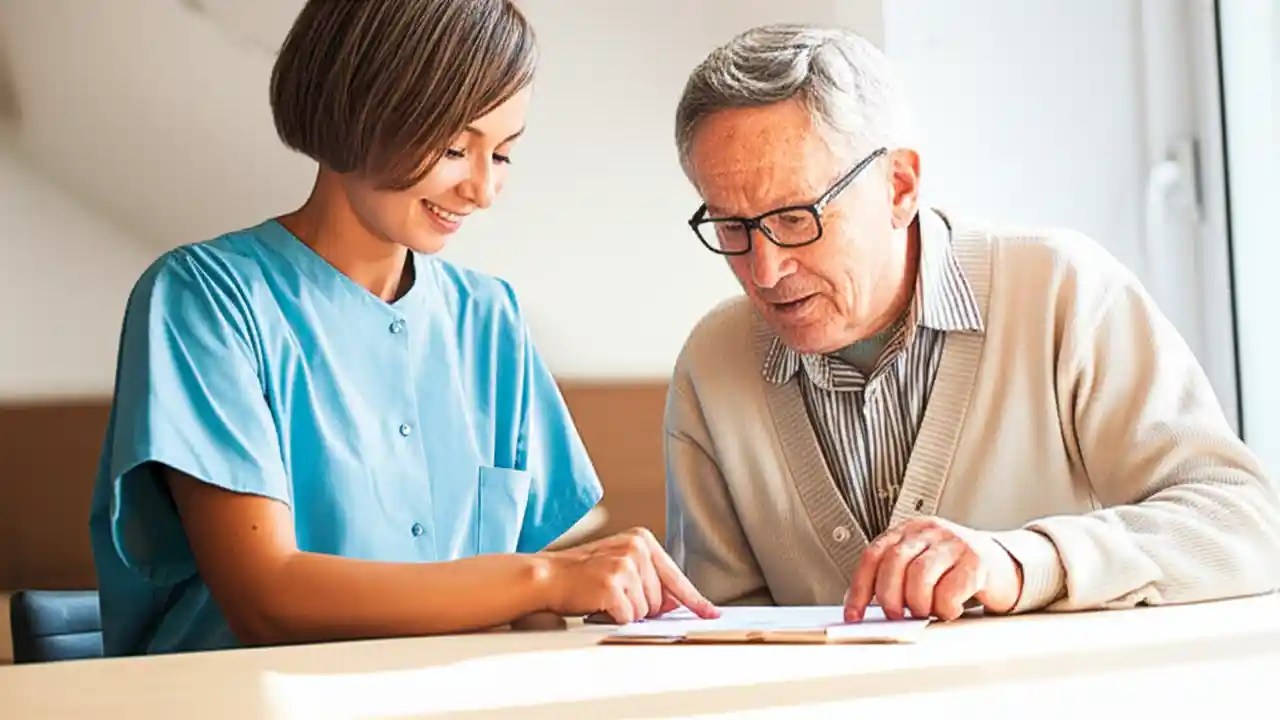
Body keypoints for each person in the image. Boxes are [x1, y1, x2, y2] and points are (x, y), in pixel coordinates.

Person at [89, 0, 716, 656]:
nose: (482, 190)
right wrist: (544, 579)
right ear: (356, 110)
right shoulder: (206, 298)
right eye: (454, 148)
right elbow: (266, 598)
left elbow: (530, 602)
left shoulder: (490, 318)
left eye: (502, 155)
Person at [664, 23, 1280, 623]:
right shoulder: (712, 364)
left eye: (796, 218)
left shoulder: (1063, 291)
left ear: (899, 187)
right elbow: (718, 630)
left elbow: (1245, 524)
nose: (765, 270)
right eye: (731, 227)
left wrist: (1023, 562)